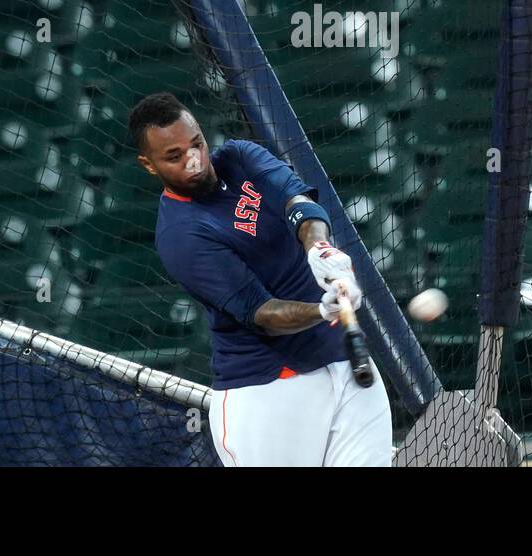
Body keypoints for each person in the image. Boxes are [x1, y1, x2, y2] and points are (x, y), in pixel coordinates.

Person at [128, 91, 392, 466]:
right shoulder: (181, 235)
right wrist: (322, 309)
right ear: (148, 164)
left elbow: (298, 201)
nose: (195, 160)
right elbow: (261, 313)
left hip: (343, 362)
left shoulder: (239, 156)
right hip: (268, 390)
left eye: (197, 144)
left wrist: (320, 249)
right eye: (174, 156)